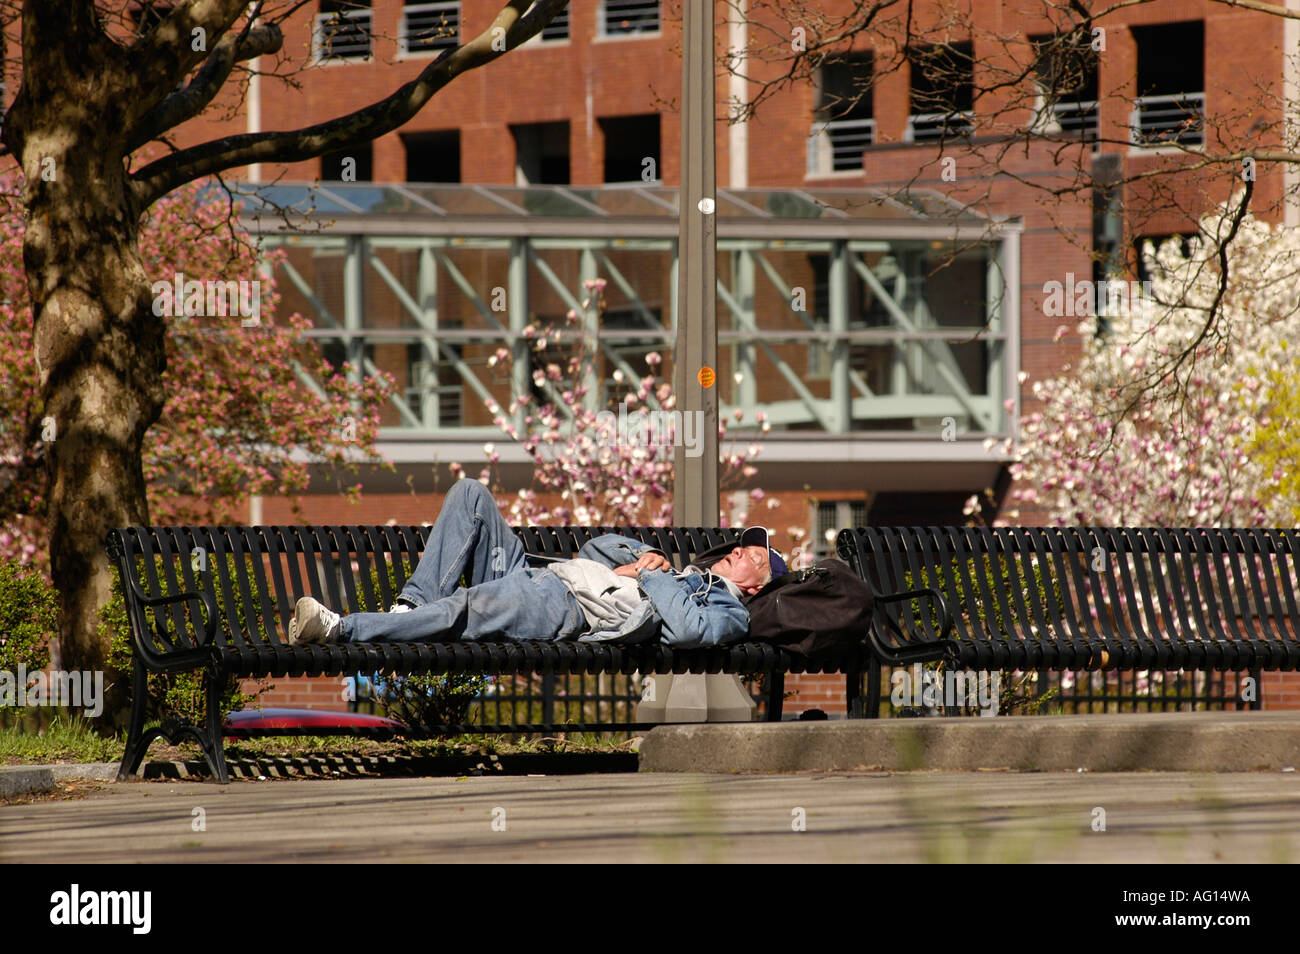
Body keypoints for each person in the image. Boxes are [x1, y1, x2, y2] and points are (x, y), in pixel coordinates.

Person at [289, 478, 788, 650]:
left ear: (754, 588)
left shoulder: (729, 610)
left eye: (753, 555)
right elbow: (595, 550)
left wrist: (654, 578)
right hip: (541, 575)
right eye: (741, 545)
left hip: (562, 605)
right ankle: (408, 610)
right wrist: (639, 557)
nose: (737, 550)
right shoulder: (677, 572)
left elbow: (688, 632)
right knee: (471, 495)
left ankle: (339, 629)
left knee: (465, 606)